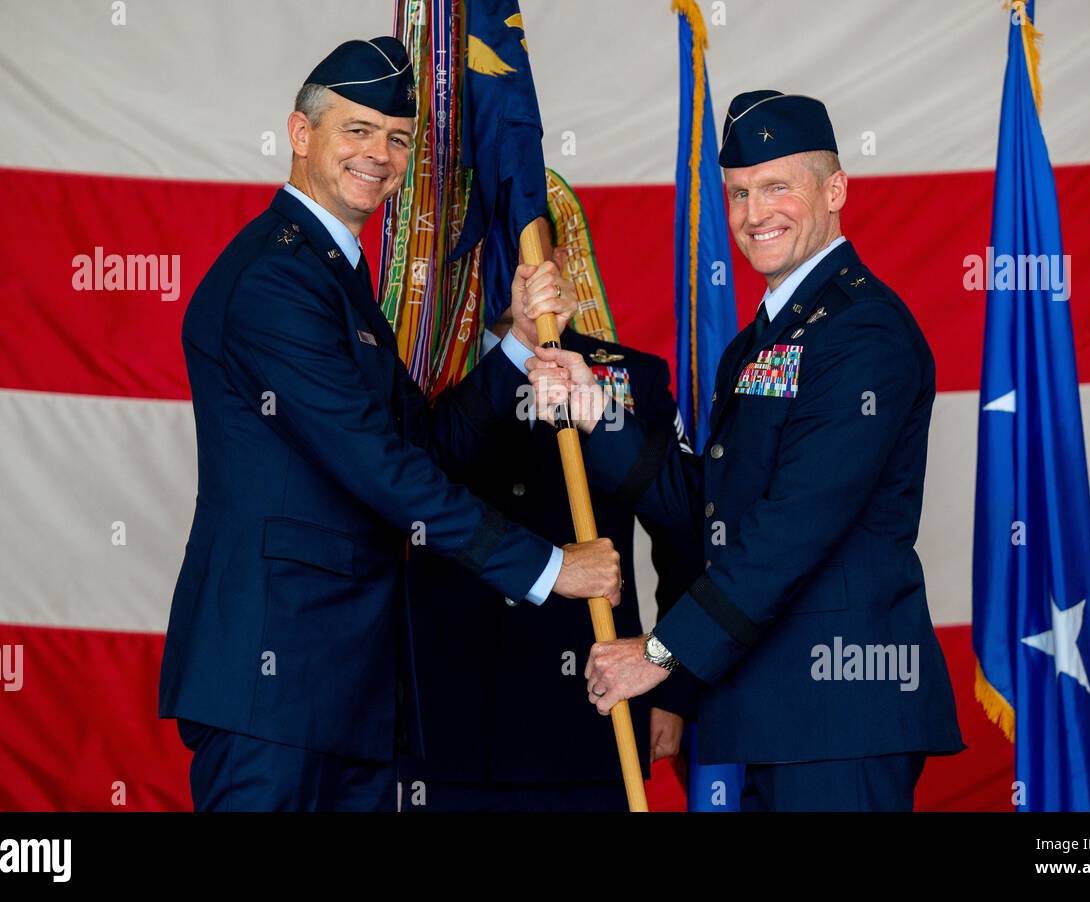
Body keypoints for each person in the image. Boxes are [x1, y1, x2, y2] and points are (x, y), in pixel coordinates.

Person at [157, 37, 621, 812]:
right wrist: (547, 568)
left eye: (398, 138)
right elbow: (380, 468)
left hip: (348, 691)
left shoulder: (332, 274)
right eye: (358, 130)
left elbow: (424, 445)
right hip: (274, 687)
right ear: (300, 133)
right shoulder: (276, 279)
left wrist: (514, 341)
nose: (379, 154)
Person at [526, 91, 964, 812]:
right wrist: (595, 409)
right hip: (772, 708)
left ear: (835, 191)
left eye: (777, 187)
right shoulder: (756, 344)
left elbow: (793, 528)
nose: (755, 213)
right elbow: (708, 511)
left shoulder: (864, 333)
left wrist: (661, 652)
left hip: (840, 711)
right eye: (738, 193)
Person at [400, 250, 699, 811]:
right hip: (449, 715)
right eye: (484, 251)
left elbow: (682, 535)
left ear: (554, 260)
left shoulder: (629, 375)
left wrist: (673, 685)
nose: (501, 270)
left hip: (586, 713)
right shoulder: (422, 372)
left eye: (518, 252)